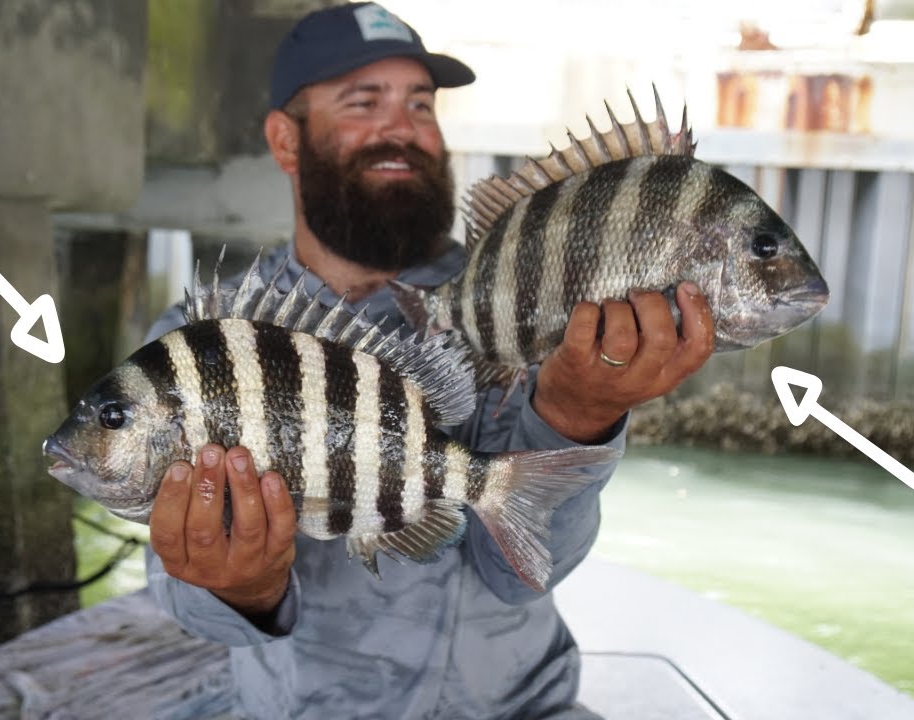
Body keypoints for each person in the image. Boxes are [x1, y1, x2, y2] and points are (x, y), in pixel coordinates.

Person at [141, 3, 714, 718]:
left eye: (421, 103)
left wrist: (581, 416)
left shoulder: (527, 296)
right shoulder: (207, 343)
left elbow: (523, 570)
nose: (402, 128)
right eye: (364, 101)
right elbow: (178, 599)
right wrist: (241, 586)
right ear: (286, 140)